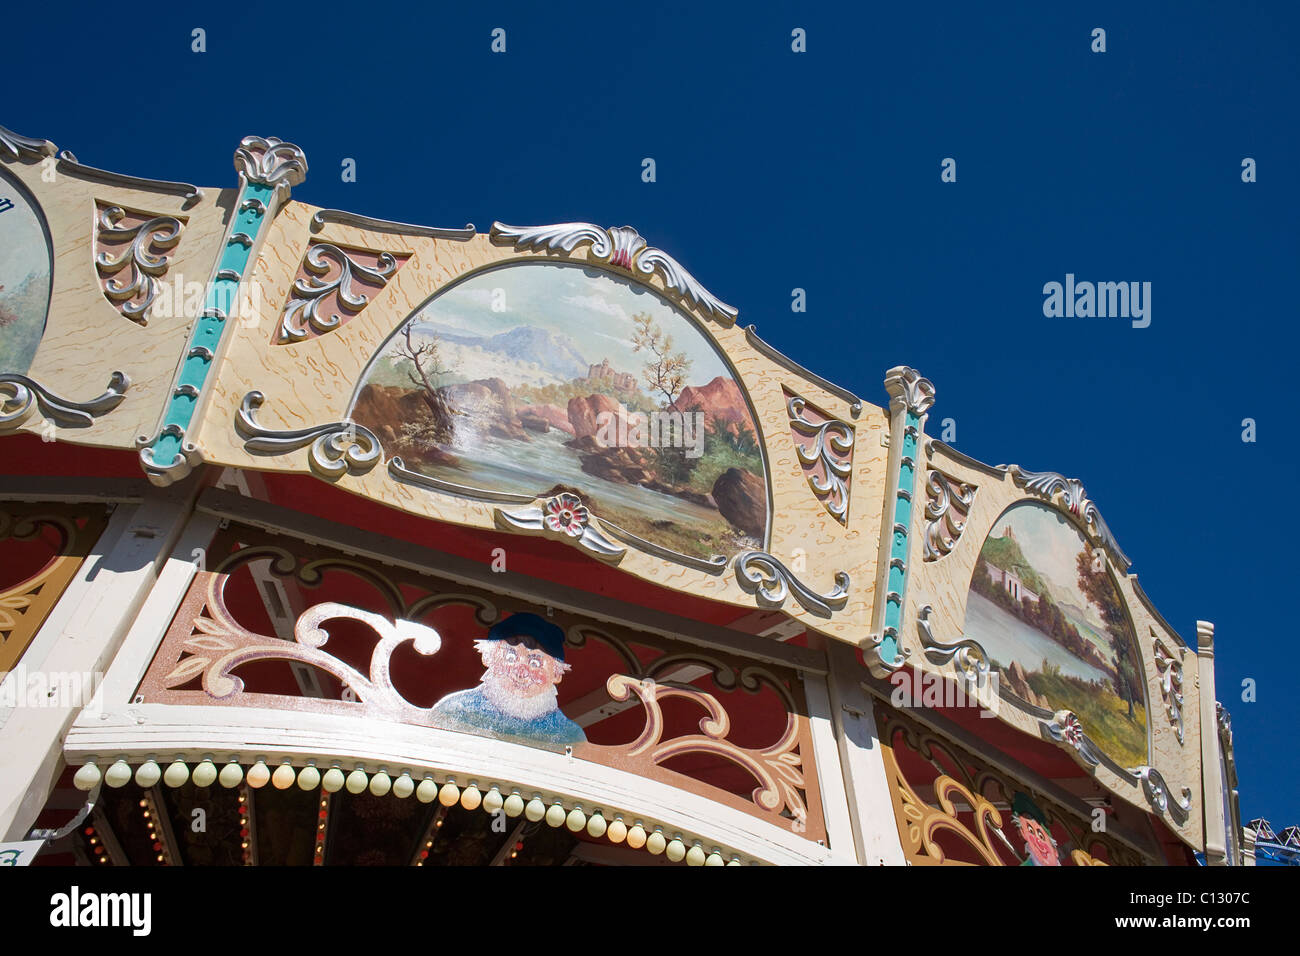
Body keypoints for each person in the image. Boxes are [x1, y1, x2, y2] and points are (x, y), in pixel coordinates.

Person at [431, 612, 586, 749]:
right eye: (511, 657)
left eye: (535, 663)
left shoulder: (570, 736)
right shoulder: (457, 710)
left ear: (557, 674)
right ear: (488, 657)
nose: (521, 672)